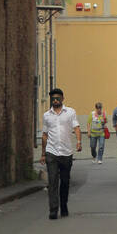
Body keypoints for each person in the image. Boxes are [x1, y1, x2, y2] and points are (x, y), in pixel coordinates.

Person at [40, 88, 81, 218]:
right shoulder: (46, 115)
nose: (55, 100)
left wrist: (79, 141)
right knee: (52, 181)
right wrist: (43, 153)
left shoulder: (70, 112)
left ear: (63, 99)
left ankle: (63, 205)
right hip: (51, 152)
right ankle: (53, 209)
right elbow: (45, 135)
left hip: (66, 152)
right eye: (53, 98)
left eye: (58, 98)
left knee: (65, 181)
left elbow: (76, 127)